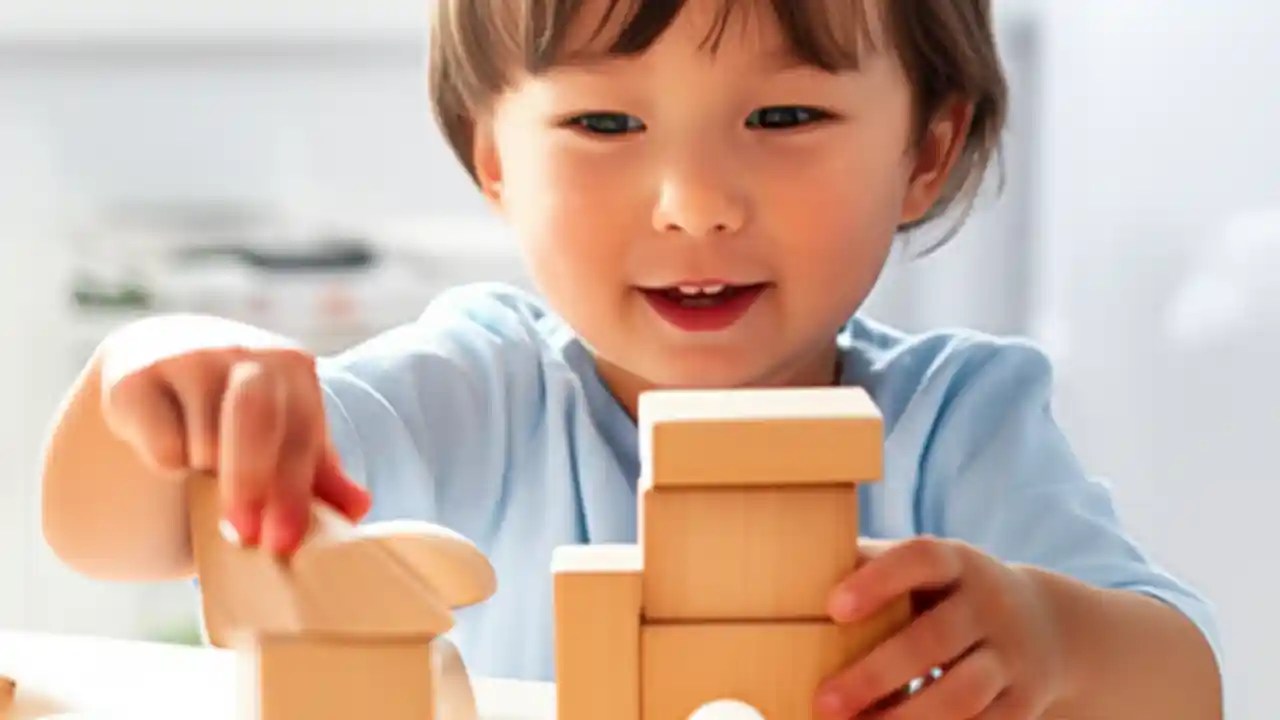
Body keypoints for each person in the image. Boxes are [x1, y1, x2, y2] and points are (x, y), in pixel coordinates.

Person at [40, 0, 1223, 716]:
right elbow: (120, 536)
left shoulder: (955, 421)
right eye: (605, 125)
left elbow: (1182, 689)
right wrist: (170, 369)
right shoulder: (478, 389)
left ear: (924, 147)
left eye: (783, 118)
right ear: (492, 158)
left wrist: (1047, 640)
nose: (694, 205)